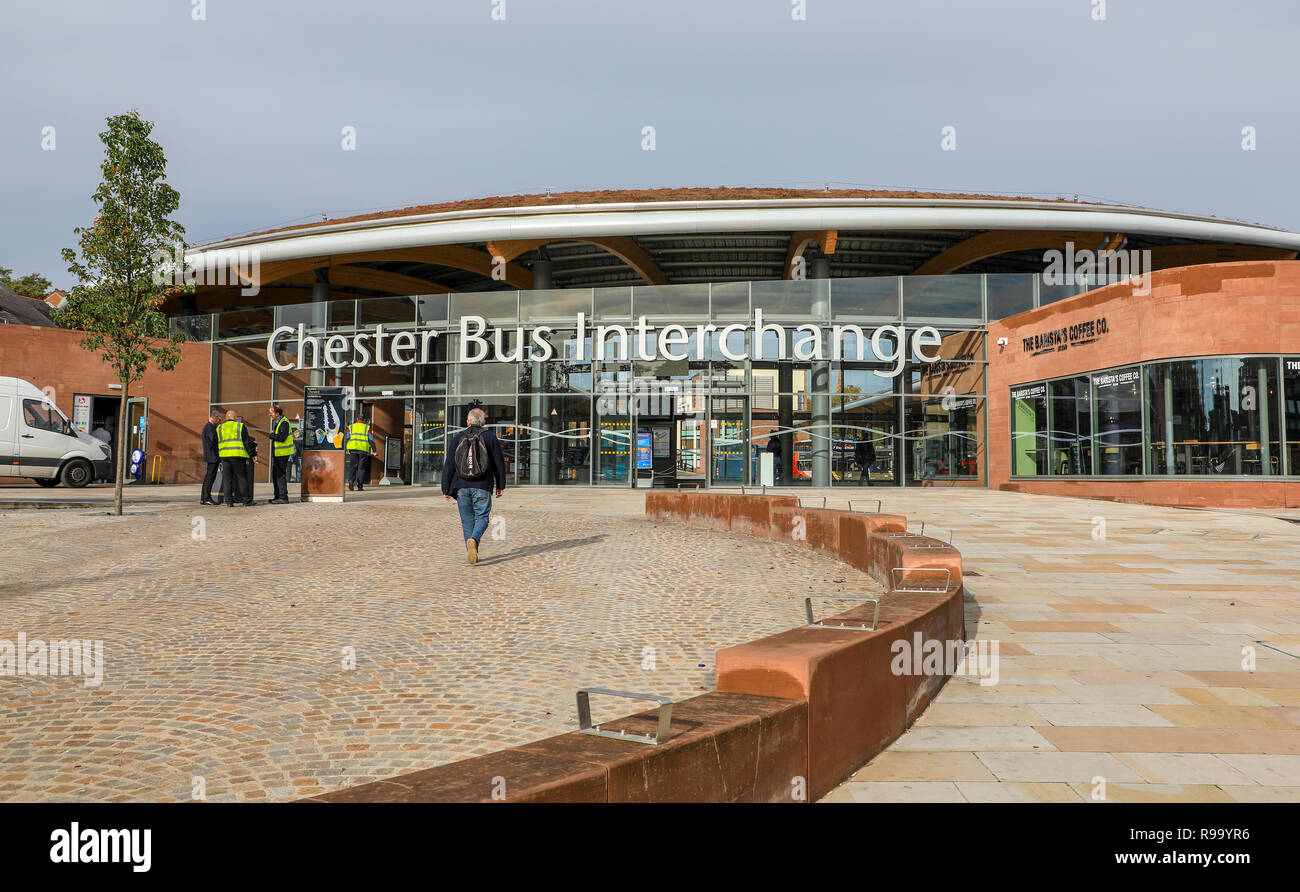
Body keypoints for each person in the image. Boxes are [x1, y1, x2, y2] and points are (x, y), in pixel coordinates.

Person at [442, 408, 506, 564]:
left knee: (467, 521)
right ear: (483, 422)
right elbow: (499, 464)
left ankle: (471, 550)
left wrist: (446, 488)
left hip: (461, 486)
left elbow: (449, 464)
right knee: (482, 517)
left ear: (467, 422)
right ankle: (474, 540)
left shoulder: (458, 438)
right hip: (483, 486)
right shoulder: (490, 437)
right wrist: (500, 485)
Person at [217, 409, 258, 507]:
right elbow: (246, 442)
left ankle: (229, 502)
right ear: (235, 418)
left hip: (224, 456)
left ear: (226, 418)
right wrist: (253, 455)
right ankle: (246, 501)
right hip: (237, 455)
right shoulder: (240, 426)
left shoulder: (219, 428)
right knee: (241, 478)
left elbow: (216, 442)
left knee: (227, 479)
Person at [267, 404, 295, 504]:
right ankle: (277, 496)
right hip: (279, 453)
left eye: (271, 412)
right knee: (276, 475)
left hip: (283, 453)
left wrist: (271, 435)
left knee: (280, 475)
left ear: (277, 413)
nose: (269, 414)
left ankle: (283, 497)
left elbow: (282, 438)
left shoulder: (284, 423)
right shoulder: (278, 422)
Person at [345, 407, 376, 491]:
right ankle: (360, 486)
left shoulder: (351, 427)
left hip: (353, 449)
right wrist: (374, 450)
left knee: (353, 466)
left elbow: (347, 438)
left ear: (357, 419)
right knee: (361, 468)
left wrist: (343, 447)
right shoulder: (367, 428)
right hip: (363, 450)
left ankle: (351, 480)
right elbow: (371, 440)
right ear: (363, 420)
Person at [200, 408, 222, 505]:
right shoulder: (210, 427)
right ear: (215, 417)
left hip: (211, 456)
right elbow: (214, 441)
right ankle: (206, 498)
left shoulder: (210, 427)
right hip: (212, 456)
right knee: (210, 478)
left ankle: (204, 498)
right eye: (219, 418)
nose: (219, 420)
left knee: (209, 477)